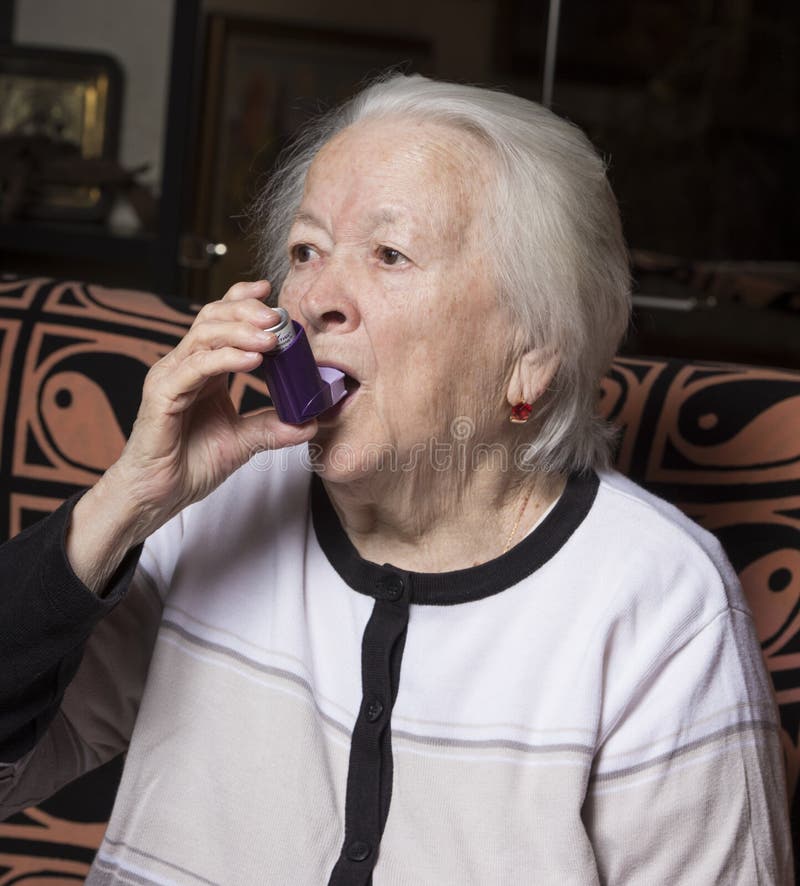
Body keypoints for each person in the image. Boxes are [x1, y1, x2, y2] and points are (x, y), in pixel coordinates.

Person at [0, 74, 792, 885]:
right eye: (306, 251)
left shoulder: (659, 603)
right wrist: (124, 502)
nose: (313, 299)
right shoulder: (218, 502)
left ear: (531, 355)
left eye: (389, 254)